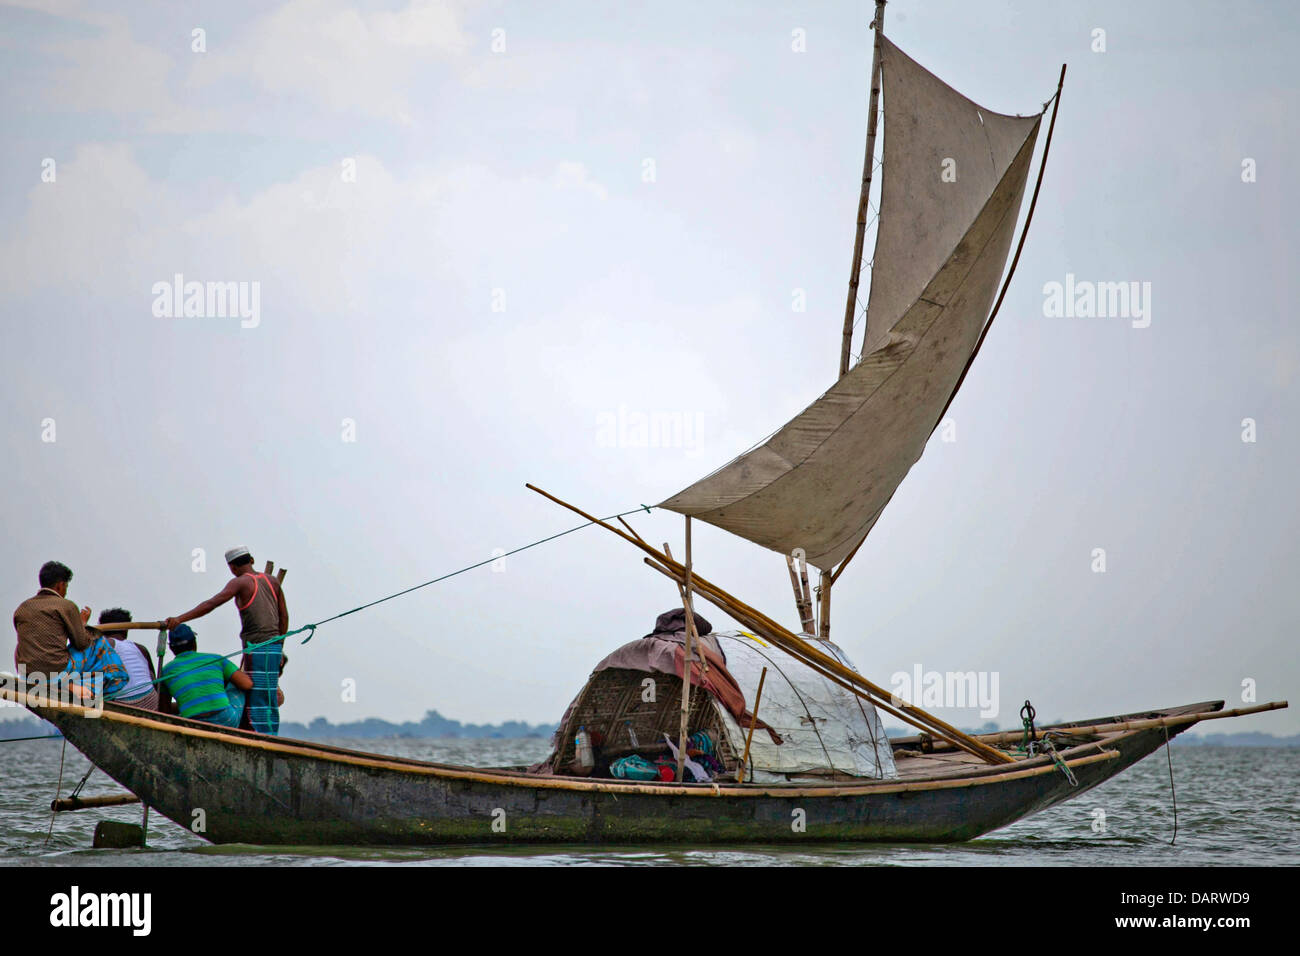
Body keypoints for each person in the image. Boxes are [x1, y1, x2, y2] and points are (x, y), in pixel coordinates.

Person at [164, 547, 287, 734]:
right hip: (274, 646)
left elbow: (211, 604)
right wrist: (280, 645)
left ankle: (261, 736)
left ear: (232, 567)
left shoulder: (240, 582)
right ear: (251, 560)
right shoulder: (272, 581)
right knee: (267, 695)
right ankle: (268, 733)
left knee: (256, 695)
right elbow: (283, 615)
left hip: (257, 647)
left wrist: (179, 619)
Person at [12, 561, 128, 700]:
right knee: (98, 643)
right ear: (60, 585)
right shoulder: (66, 606)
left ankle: (68, 684)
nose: (66, 591)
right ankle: (86, 687)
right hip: (55, 671)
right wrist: (82, 624)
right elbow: (81, 643)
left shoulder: (22, 608)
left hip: (27, 672)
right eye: (66, 586)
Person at [158, 624, 252, 728]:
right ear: (194, 643)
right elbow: (247, 684)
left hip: (191, 725)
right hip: (225, 720)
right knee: (236, 684)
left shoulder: (166, 671)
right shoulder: (215, 659)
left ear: (171, 648)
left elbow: (164, 710)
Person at [96, 608, 160, 711]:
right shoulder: (140, 648)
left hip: (121, 703)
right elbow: (155, 680)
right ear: (126, 629)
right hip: (151, 700)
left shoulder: (105, 644)